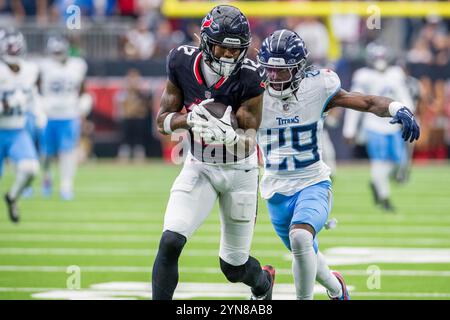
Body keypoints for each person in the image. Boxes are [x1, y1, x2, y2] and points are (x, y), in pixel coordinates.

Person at [197, 29, 419, 300]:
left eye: (283, 71)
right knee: (307, 252)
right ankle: (337, 289)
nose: (275, 77)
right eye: (270, 70)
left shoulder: (318, 86)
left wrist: (397, 108)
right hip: (276, 190)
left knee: (301, 239)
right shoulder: (252, 92)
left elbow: (367, 101)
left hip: (313, 182)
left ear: (299, 69)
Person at [152, 5, 275, 300]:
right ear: (206, 41)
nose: (230, 56)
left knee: (234, 268)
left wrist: (229, 135)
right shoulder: (181, 61)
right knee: (170, 240)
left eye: (237, 50)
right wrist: (189, 120)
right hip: (199, 165)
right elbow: (162, 121)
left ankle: (263, 284)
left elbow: (248, 139)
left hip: (240, 172)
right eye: (223, 48)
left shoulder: (251, 75)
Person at [343, 42, 415, 212]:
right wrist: (350, 129)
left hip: (393, 126)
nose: (380, 61)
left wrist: (410, 115)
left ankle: (377, 181)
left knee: (399, 162)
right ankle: (384, 198)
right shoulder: (363, 76)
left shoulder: (395, 74)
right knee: (379, 162)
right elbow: (355, 103)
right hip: (374, 126)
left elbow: (404, 97)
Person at [0, 28, 46, 222]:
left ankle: (12, 197)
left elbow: (33, 94)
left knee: (30, 168)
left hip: (17, 130)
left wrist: (39, 112)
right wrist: (10, 103)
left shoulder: (30, 70)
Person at [39, 35, 92, 200]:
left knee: (67, 152)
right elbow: (35, 88)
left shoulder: (77, 65)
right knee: (46, 153)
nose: (57, 54)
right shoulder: (44, 66)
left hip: (69, 114)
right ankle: (46, 178)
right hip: (49, 114)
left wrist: (82, 107)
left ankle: (66, 184)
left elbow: (82, 89)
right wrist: (39, 108)